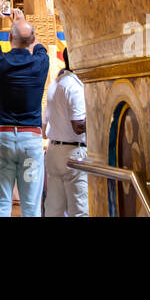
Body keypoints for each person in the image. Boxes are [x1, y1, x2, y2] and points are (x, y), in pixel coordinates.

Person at [0, 0, 50, 217]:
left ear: (8, 38)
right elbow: (37, 44)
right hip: (31, 143)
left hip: (3, 139)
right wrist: (21, 22)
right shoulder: (41, 62)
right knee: (32, 206)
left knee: (1, 204)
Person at [45, 48, 89, 216]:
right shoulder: (75, 86)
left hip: (54, 150)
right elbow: (78, 126)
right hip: (73, 152)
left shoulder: (56, 82)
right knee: (79, 209)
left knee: (54, 209)